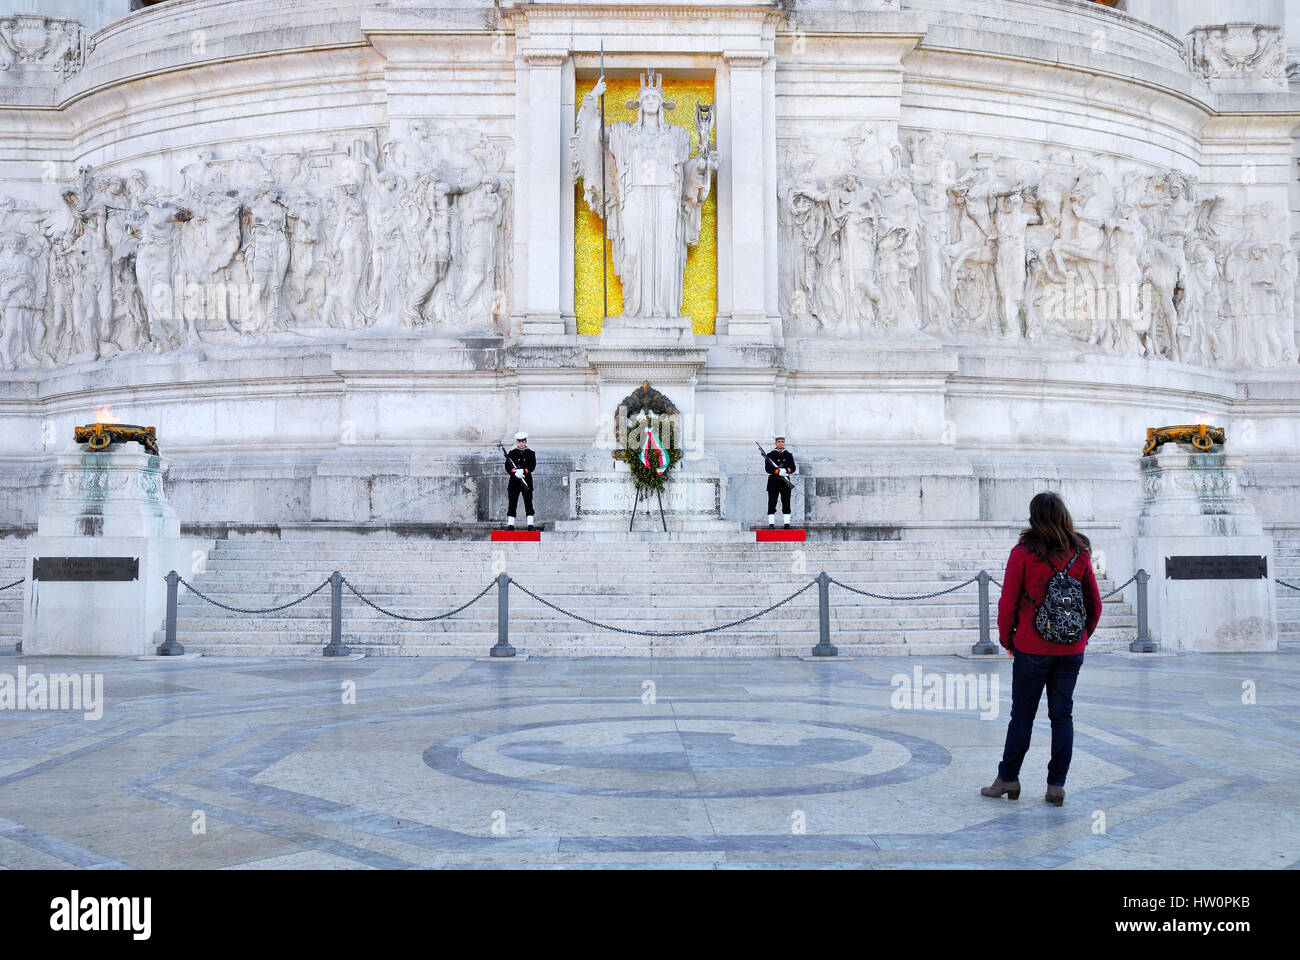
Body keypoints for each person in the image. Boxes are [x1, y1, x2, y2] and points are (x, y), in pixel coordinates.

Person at [981, 491, 1101, 806]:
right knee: (1062, 716)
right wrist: (1081, 637)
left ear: (1034, 519)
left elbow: (1008, 602)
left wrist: (1008, 639)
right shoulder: (1081, 553)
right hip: (1070, 650)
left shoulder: (1023, 553)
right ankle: (1056, 785)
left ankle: (1008, 778)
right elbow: (1094, 604)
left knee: (1022, 716)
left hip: (1032, 649)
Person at [503, 431, 536, 532]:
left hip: (526, 482)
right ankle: (510, 524)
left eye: (523, 442)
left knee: (528, 503)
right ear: (517, 442)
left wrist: (524, 471)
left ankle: (530, 524)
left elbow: (532, 466)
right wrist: (514, 472)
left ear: (525, 442)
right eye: (519, 442)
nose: (521, 444)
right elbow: (507, 466)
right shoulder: (512, 453)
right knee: (512, 503)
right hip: (514, 482)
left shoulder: (530, 453)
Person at [764, 436, 796, 529]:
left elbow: (793, 468)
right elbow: (767, 469)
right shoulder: (770, 455)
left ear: (784, 443)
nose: (780, 443)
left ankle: (787, 524)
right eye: (779, 442)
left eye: (782, 442)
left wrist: (785, 470)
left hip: (785, 482)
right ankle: (771, 524)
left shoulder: (789, 455)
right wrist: (778, 472)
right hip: (773, 481)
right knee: (772, 502)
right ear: (776, 443)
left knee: (786, 502)